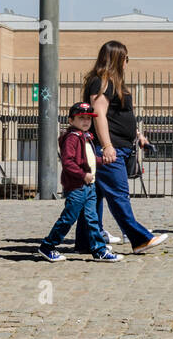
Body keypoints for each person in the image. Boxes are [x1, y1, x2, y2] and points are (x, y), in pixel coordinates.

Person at [84, 41, 169, 254]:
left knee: (94, 197)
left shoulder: (113, 83)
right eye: (126, 59)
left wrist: (138, 135)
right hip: (108, 150)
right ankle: (139, 238)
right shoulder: (101, 83)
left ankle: (87, 241)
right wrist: (107, 146)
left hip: (121, 146)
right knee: (118, 194)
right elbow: (99, 114)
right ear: (117, 59)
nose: (127, 63)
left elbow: (118, 116)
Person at [38, 102, 120, 262]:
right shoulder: (72, 138)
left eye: (88, 118)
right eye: (81, 118)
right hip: (77, 187)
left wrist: (103, 160)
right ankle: (47, 246)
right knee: (68, 218)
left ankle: (99, 250)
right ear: (70, 120)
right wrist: (82, 175)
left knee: (92, 219)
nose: (86, 121)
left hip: (89, 187)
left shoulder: (85, 137)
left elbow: (88, 159)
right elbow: (68, 162)